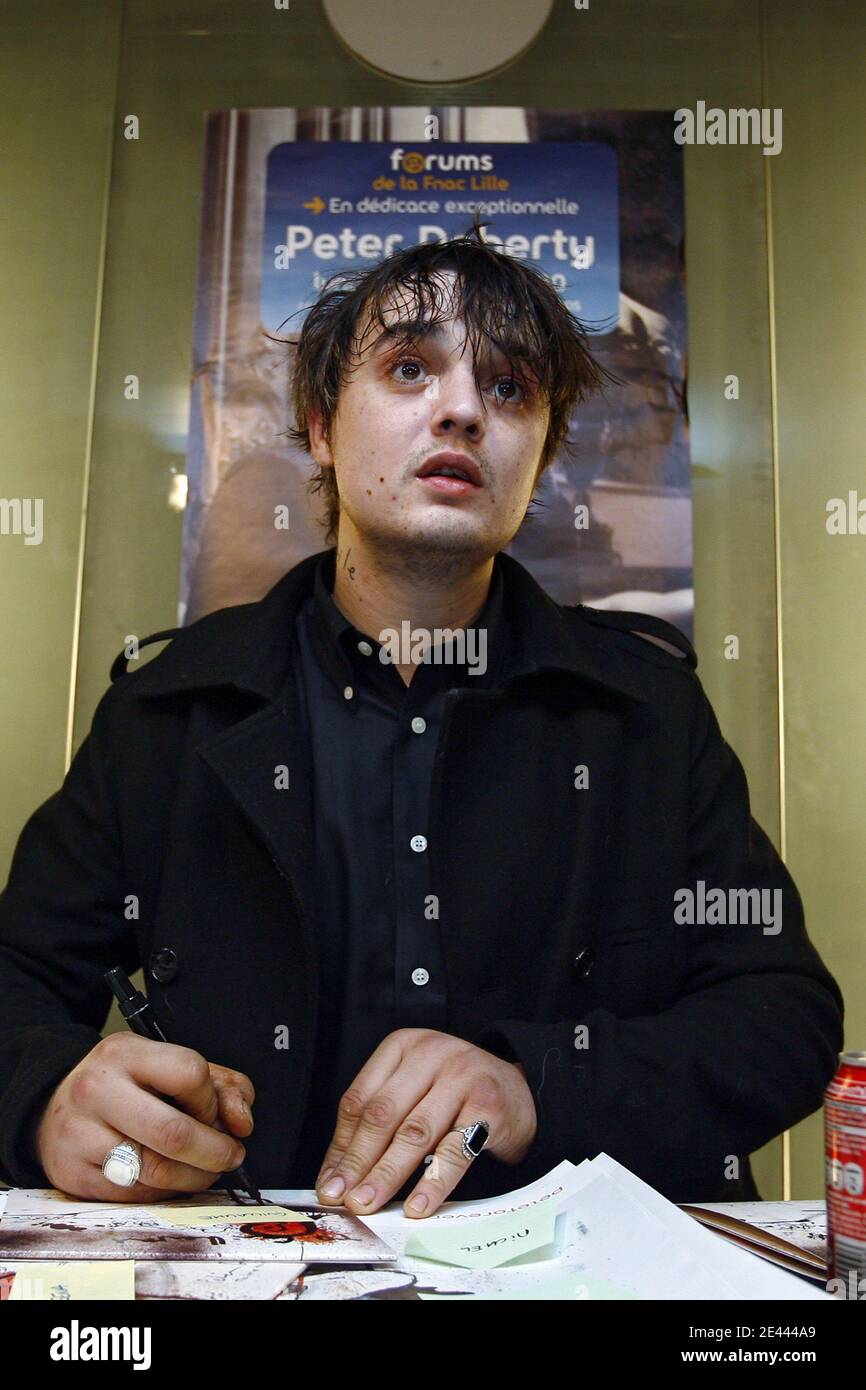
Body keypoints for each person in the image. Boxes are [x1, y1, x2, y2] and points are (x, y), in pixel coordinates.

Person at [0, 221, 844, 1220]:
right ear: (319, 424)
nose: (460, 410)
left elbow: (780, 1017)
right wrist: (44, 1096)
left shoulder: (644, 713)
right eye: (409, 369)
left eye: (510, 389)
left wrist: (539, 1086)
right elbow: (17, 973)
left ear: (541, 455)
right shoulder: (170, 708)